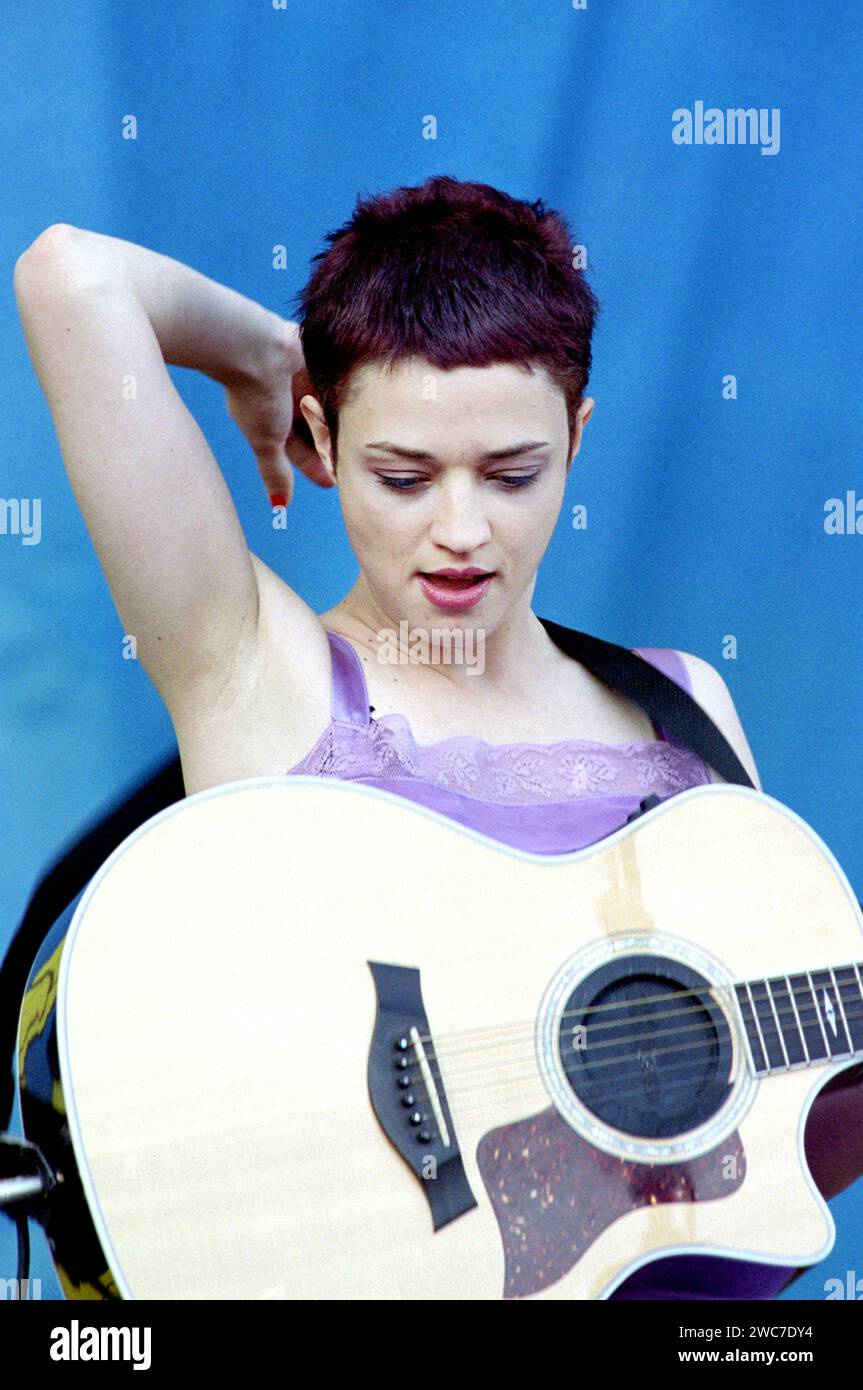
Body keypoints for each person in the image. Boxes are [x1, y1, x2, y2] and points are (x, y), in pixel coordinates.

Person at [14, 175, 861, 1300]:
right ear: (319, 436)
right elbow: (70, 275)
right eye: (401, 474)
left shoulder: (683, 702)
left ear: (576, 434)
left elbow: (767, 1144)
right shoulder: (254, 670)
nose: (460, 534)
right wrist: (268, 358)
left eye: (513, 474)